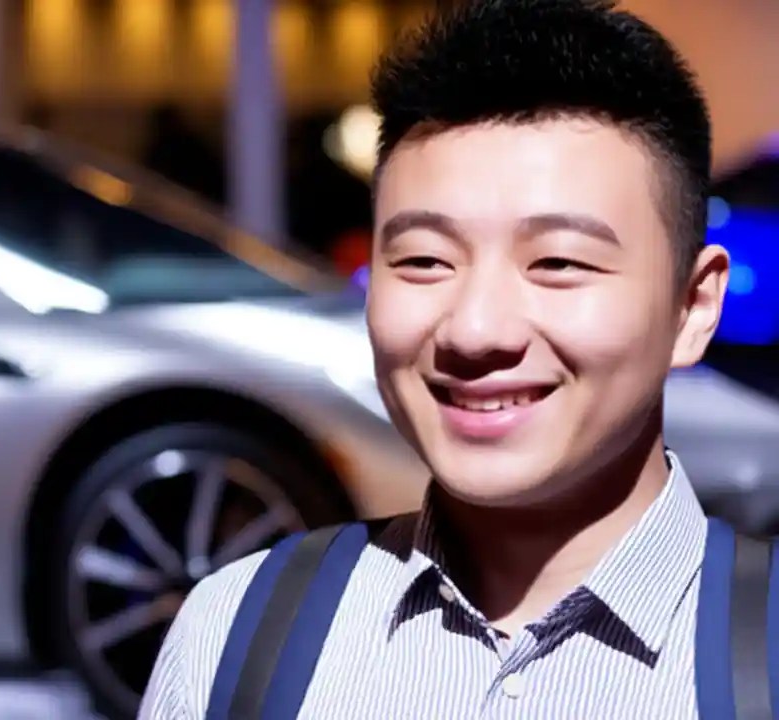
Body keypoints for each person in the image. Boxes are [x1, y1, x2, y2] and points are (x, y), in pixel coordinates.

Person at [138, 0, 739, 717]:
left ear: (693, 307)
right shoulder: (234, 638)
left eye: (556, 262)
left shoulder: (753, 657)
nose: (475, 329)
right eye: (424, 260)